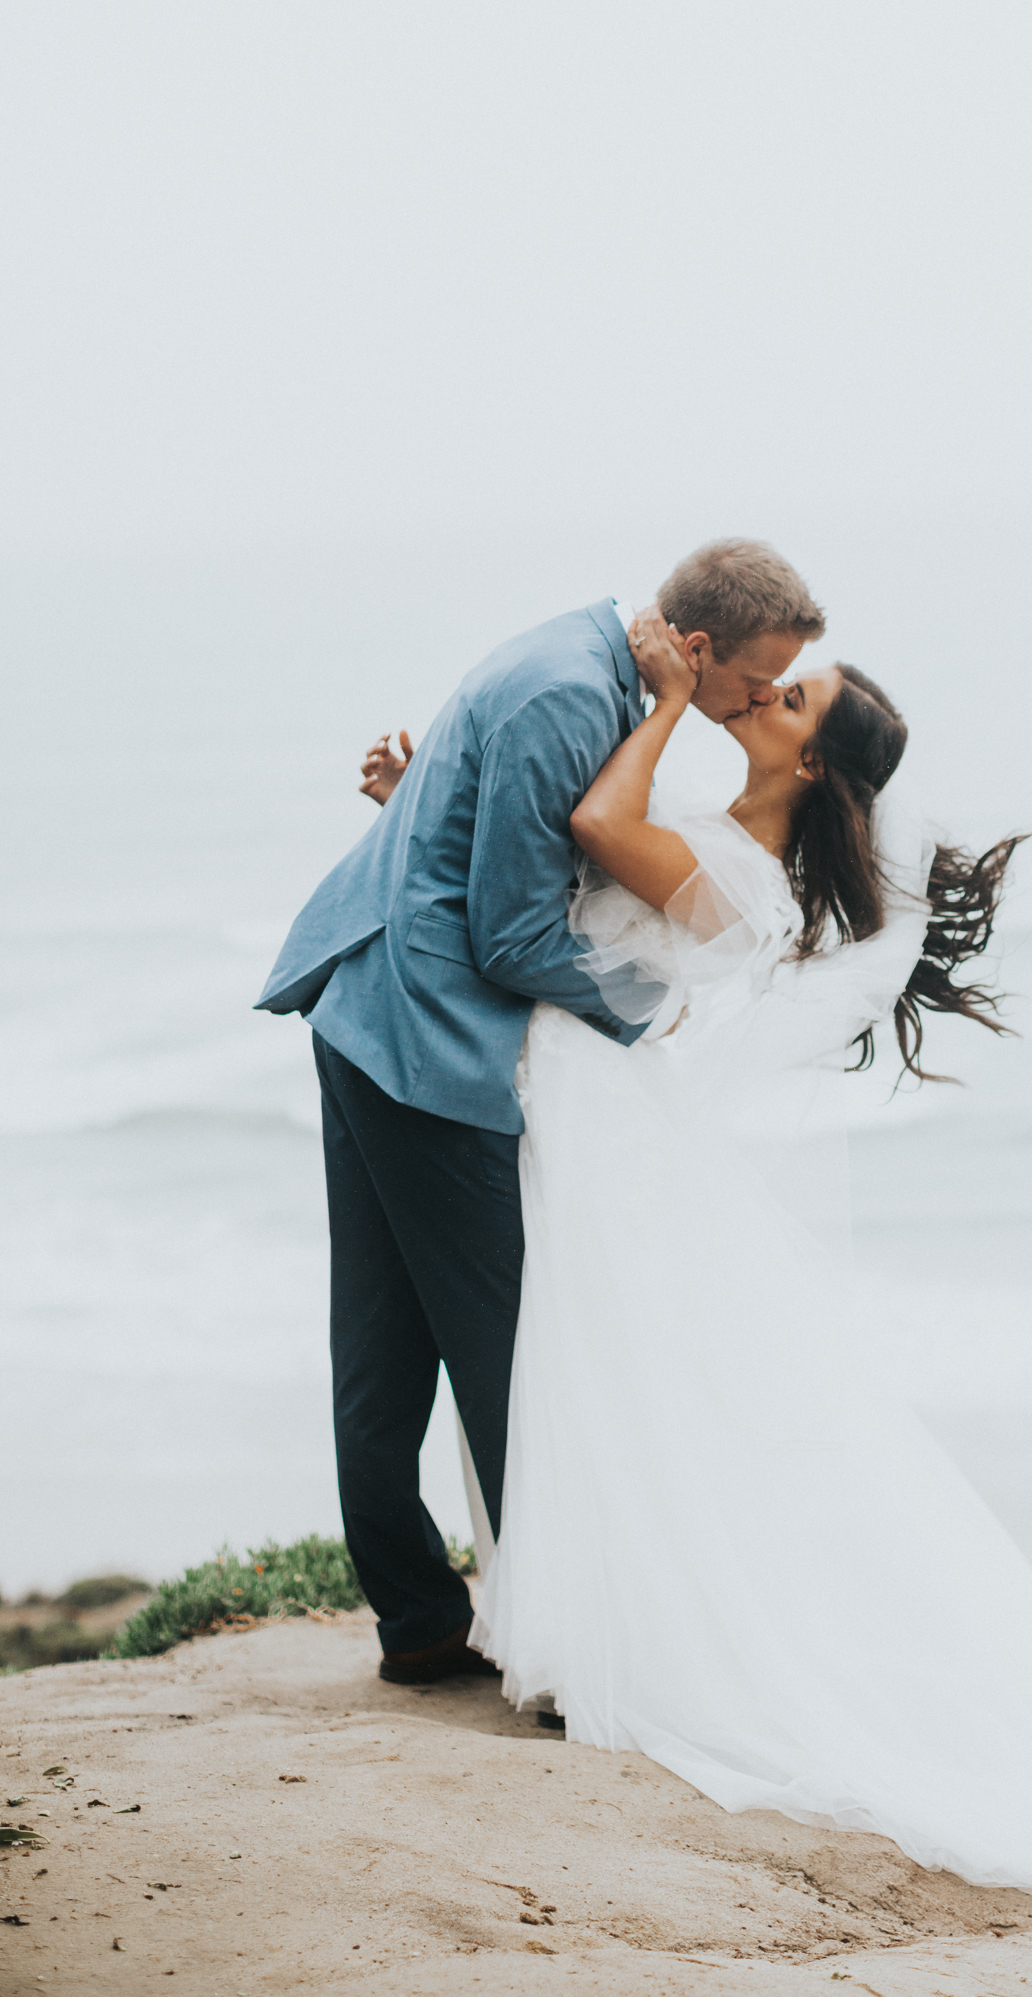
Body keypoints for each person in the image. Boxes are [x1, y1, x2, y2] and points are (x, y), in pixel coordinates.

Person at [365, 608, 1032, 1920]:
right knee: (594, 1378)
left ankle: (596, 1632)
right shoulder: (722, 839)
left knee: (594, 1379)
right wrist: (426, 793)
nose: (760, 695)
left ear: (811, 765)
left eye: (785, 701)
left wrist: (660, 699)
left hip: (586, 1119)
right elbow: (559, 871)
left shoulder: (740, 888)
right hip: (573, 1111)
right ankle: (551, 1614)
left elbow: (600, 837)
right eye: (768, 682)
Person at [255, 539, 826, 1684]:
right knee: (504, 1352)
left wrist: (405, 805)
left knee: (380, 1344)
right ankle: (571, 1653)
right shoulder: (571, 692)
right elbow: (509, 934)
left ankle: (420, 1621)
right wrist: (636, 1021)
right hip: (423, 1042)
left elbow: (484, 840)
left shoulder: (577, 663)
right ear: (695, 647)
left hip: (371, 1013)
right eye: (756, 678)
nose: (758, 700)